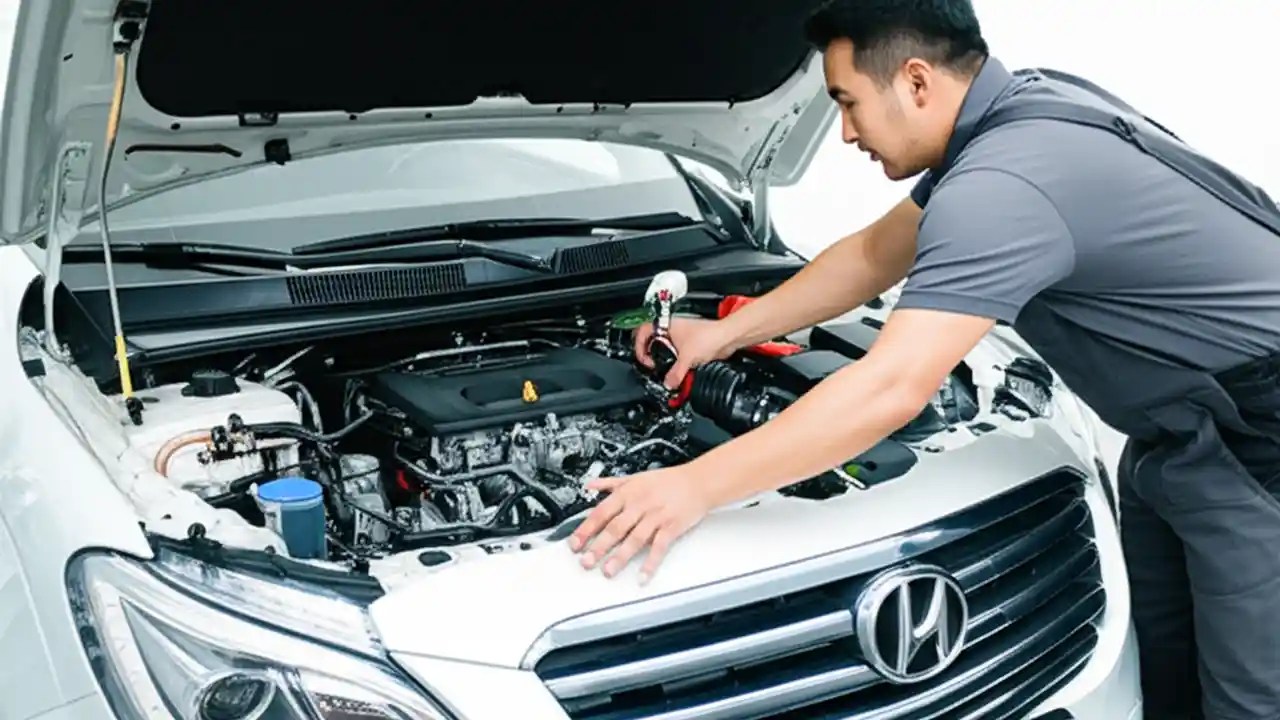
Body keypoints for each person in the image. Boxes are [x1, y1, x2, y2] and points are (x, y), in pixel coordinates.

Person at [567, 1, 1280, 717]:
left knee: (1252, 697)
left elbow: (892, 389)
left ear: (915, 82)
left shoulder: (1004, 184)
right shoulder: (1019, 113)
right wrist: (722, 334)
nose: (844, 131)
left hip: (1260, 441)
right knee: (1172, 677)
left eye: (847, 102)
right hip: (1183, 433)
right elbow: (876, 254)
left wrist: (693, 486)